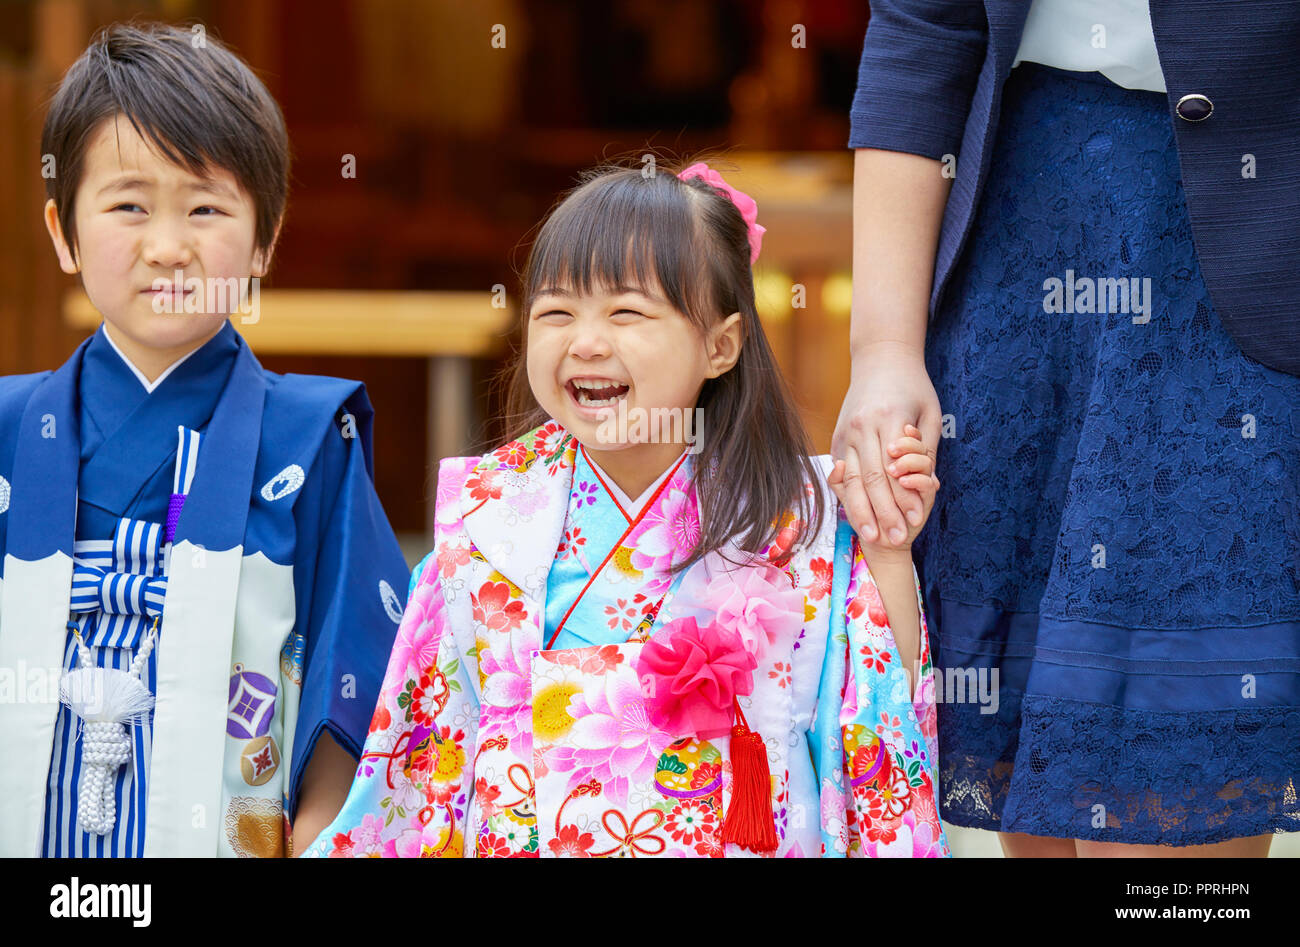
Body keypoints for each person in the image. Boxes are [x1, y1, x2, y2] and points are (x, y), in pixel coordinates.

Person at [305, 159, 950, 857]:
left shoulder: (797, 521)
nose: (585, 341)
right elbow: (422, 769)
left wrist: (886, 551)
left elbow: (874, 720)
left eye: (625, 312)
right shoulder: (487, 528)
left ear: (720, 345)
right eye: (556, 311)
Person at [833, 0, 1300, 855]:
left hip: (1245, 239)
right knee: (1033, 769)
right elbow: (924, 33)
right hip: (1018, 231)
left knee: (1174, 747)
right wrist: (884, 349)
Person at [0, 22, 409, 857]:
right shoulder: (8, 431)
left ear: (266, 236)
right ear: (61, 230)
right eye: (128, 206)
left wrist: (321, 832)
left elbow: (357, 674)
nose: (168, 247)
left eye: (206, 207)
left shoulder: (308, 439)